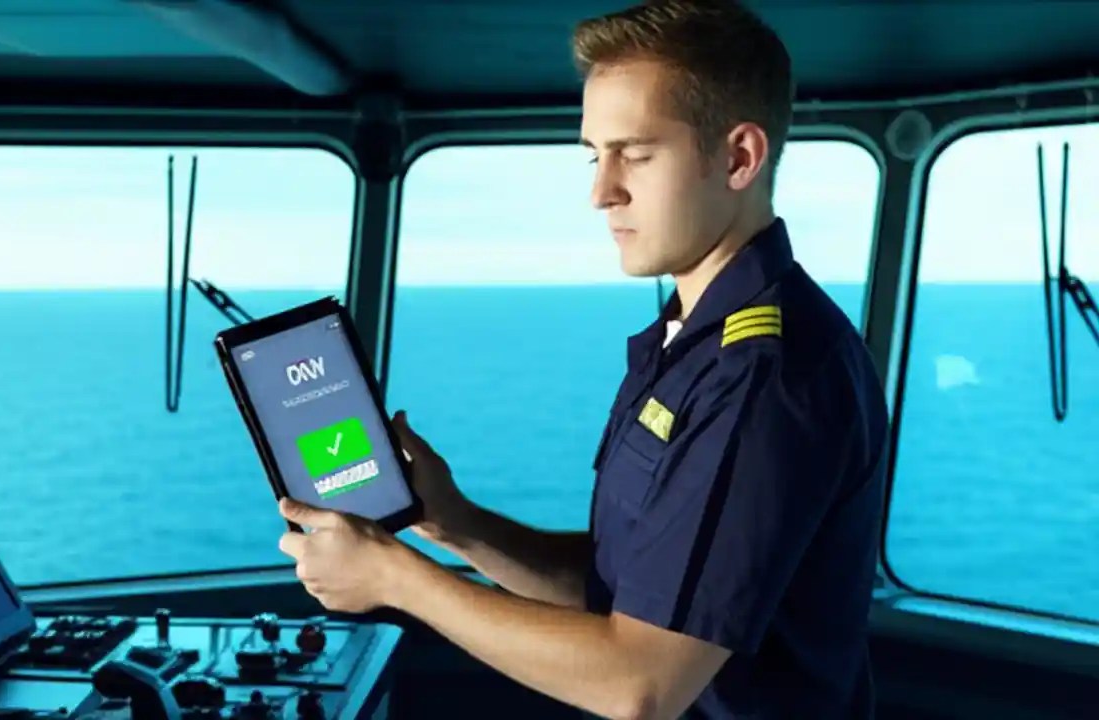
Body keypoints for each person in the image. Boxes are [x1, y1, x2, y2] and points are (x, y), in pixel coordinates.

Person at [276, 1, 889, 717]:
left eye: (636, 153)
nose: (602, 192)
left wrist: (397, 579)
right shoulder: (693, 340)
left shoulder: (764, 374)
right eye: (595, 155)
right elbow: (635, 591)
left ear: (739, 158)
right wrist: (459, 525)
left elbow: (643, 682)